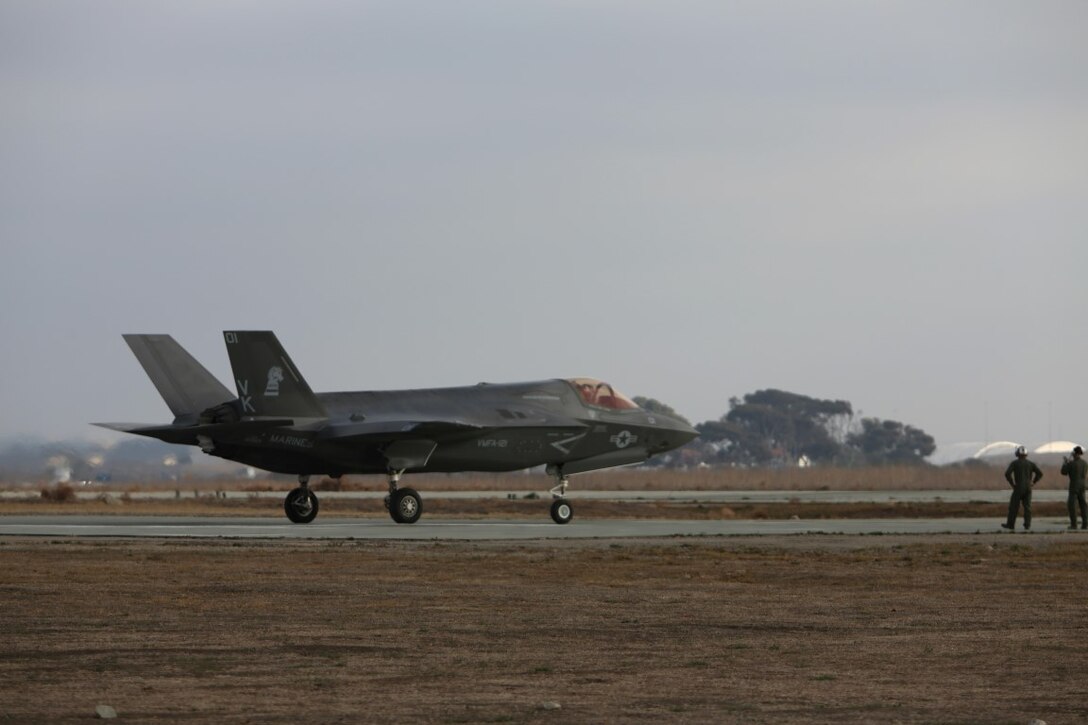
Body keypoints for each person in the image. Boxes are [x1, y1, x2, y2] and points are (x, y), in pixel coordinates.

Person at [1002, 446, 1043, 530]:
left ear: (1018, 454)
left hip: (1018, 487)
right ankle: (1027, 525)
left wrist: (1012, 484)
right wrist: (1033, 482)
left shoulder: (1015, 463)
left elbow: (1007, 473)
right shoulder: (1031, 464)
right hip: (1028, 488)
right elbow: (1040, 473)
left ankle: (1010, 524)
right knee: (1027, 507)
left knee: (1014, 507)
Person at [1060, 445, 1087, 530]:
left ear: (1075, 453)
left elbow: (1063, 472)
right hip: (1083, 485)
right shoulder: (1085, 463)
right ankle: (1085, 524)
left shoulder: (1071, 463)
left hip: (1074, 486)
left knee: (1072, 505)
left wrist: (1065, 463)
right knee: (1083, 505)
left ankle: (1074, 525)